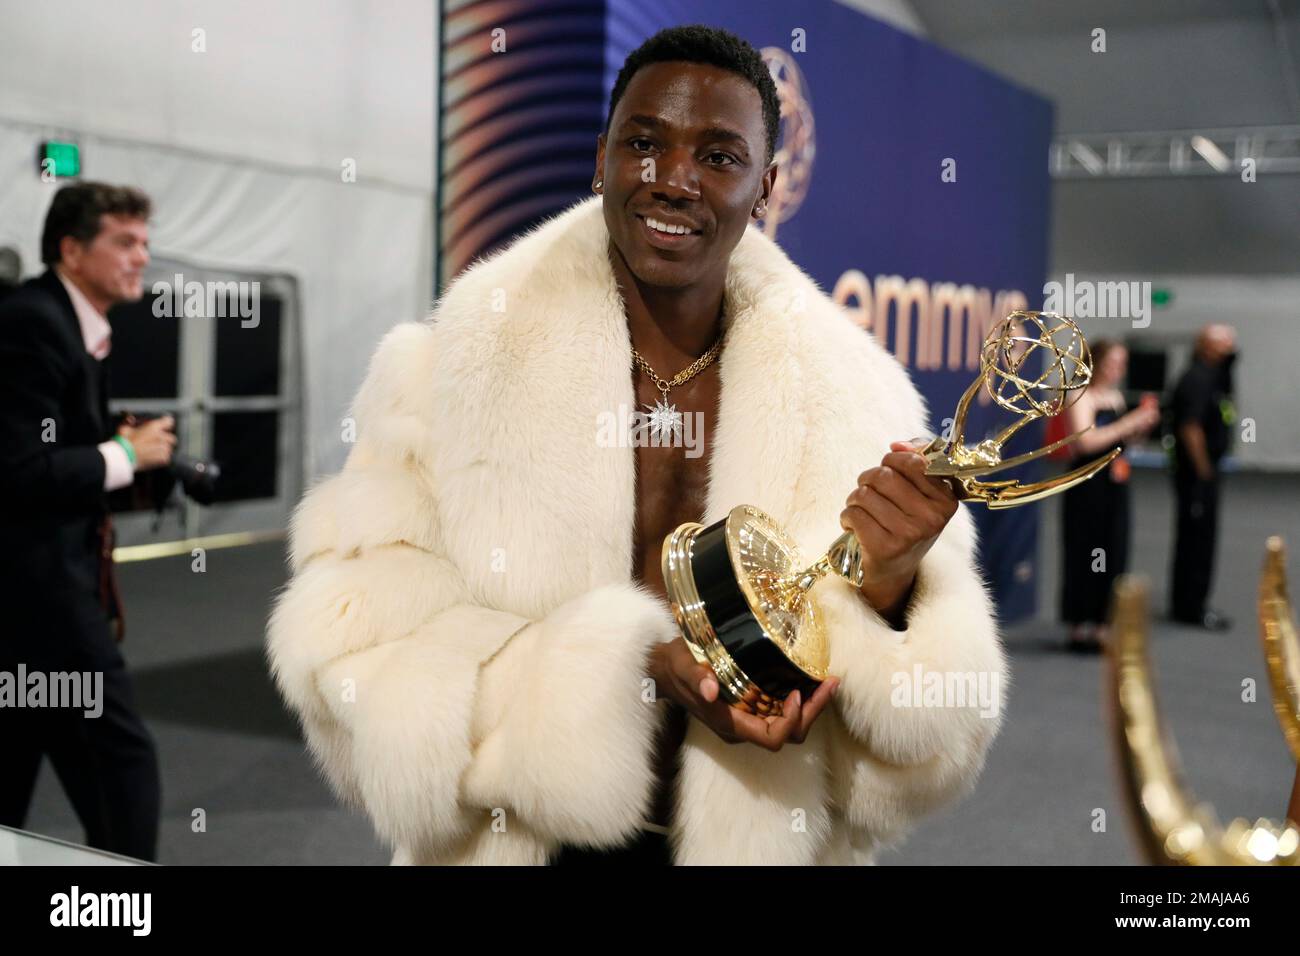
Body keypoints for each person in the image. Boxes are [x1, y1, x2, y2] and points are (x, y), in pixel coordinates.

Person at [267, 25, 1006, 865]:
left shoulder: (858, 400)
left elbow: (939, 743)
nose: (673, 180)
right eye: (645, 144)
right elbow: (348, 654)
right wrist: (625, 664)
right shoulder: (454, 367)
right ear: (601, 158)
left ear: (765, 187)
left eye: (719, 156)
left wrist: (883, 593)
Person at [0, 182, 176, 861]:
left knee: (14, 761)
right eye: (124, 242)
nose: (142, 258)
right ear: (71, 250)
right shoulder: (34, 322)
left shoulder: (70, 324)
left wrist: (115, 445)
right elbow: (17, 470)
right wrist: (122, 453)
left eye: (145, 243)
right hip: (37, 594)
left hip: (33, 597)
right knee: (123, 765)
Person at [1058, 340, 1159, 652]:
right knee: (1083, 550)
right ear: (1097, 362)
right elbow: (1086, 444)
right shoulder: (1079, 395)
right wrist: (1128, 423)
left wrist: (1141, 426)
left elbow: (1122, 442)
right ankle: (1078, 623)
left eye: (1123, 362)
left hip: (1115, 482)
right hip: (1087, 484)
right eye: (1114, 362)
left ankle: (1103, 624)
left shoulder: (1115, 397)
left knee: (1112, 548)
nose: (1120, 369)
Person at [1168, 323, 1238, 630]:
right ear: (1208, 346)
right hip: (1196, 476)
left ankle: (1188, 601)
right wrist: (1203, 470)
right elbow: (1190, 428)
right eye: (1225, 345)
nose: (1231, 351)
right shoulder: (1196, 379)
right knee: (1197, 539)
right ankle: (1190, 606)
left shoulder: (1215, 378)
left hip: (1202, 474)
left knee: (1200, 537)